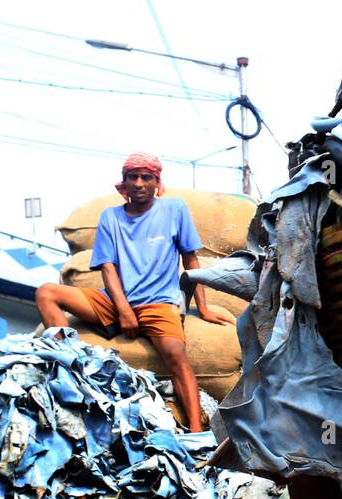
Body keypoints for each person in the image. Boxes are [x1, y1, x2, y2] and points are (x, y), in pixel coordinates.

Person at [35, 152, 234, 432]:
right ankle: (70, 370)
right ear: (124, 183)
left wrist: (203, 308)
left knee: (177, 357)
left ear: (156, 182)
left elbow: (191, 261)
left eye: (146, 177)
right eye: (133, 177)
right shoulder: (111, 217)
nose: (139, 183)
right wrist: (125, 310)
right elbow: (108, 267)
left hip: (158, 304)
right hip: (113, 301)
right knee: (46, 293)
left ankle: (196, 431)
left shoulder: (174, 210)